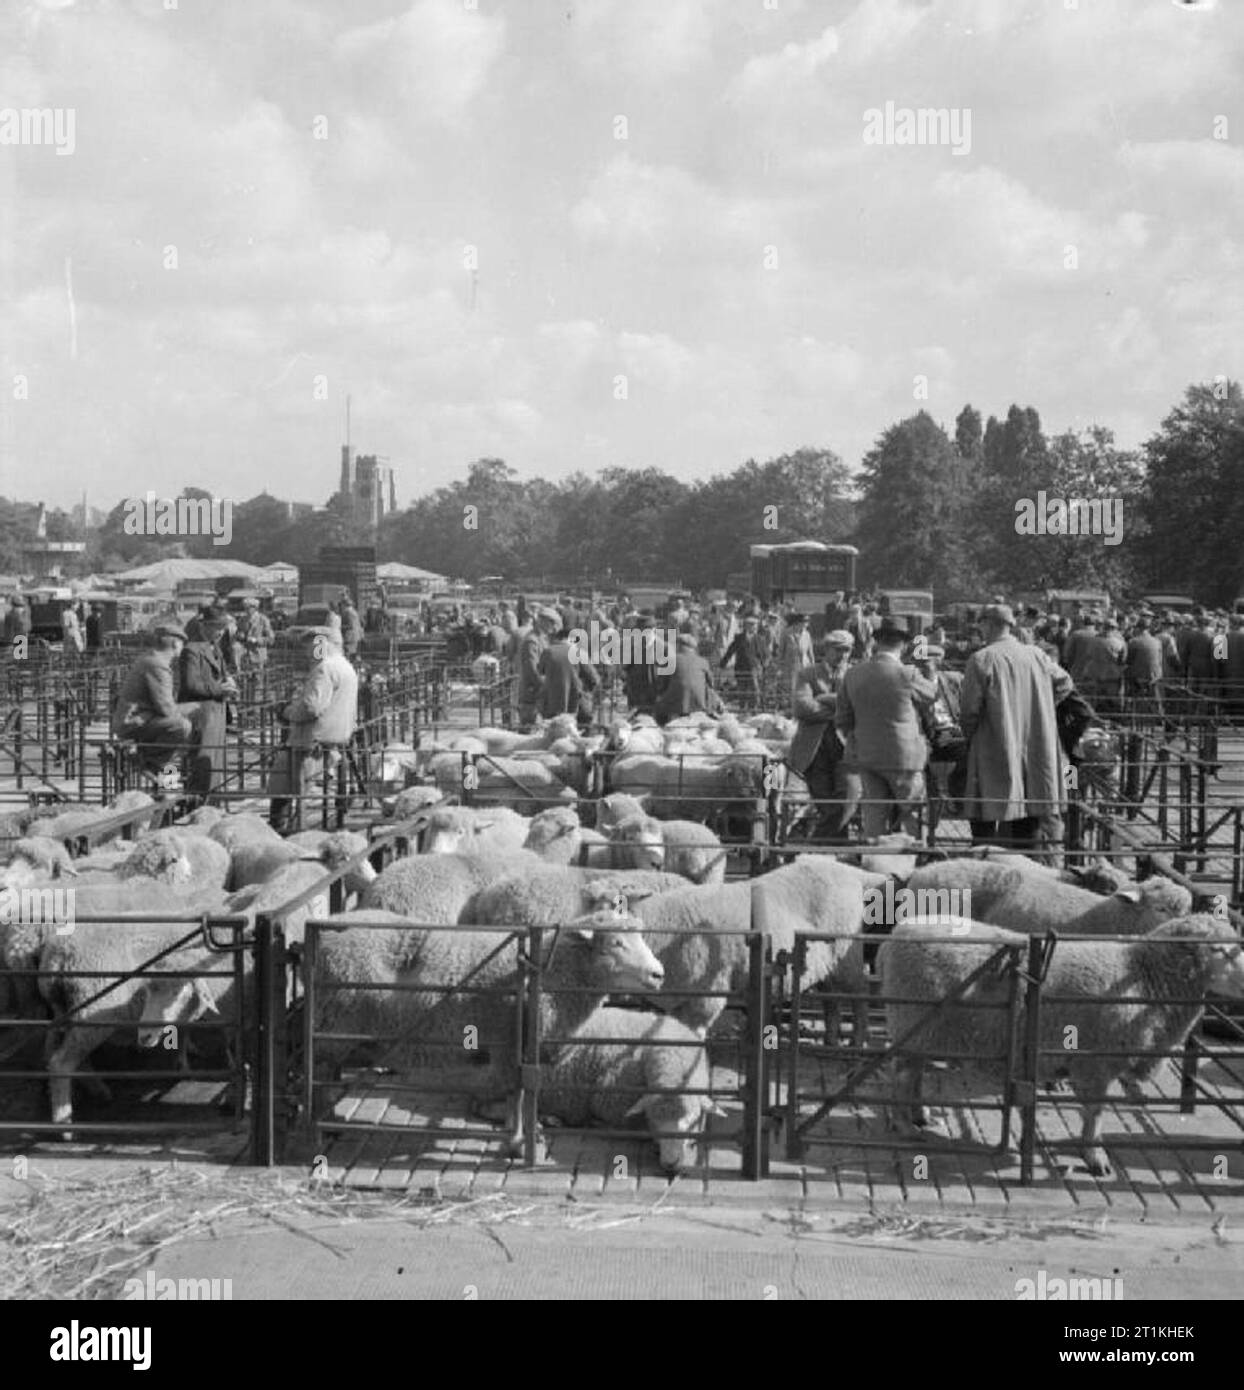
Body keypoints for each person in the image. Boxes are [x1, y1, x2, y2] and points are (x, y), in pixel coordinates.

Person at [959, 604, 1073, 855]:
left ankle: (984, 867)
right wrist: (1042, 708)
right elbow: (1065, 683)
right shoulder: (1037, 655)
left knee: (985, 814)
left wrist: (973, 736)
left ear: (987, 624)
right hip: (1036, 744)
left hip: (994, 745)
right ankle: (1027, 869)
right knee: (1029, 813)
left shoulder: (981, 658)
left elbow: (969, 711)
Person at [835, 618, 935, 840]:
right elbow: (932, 695)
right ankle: (919, 858)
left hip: (867, 754)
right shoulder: (908, 674)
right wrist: (930, 670)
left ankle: (875, 861)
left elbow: (842, 719)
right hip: (904, 757)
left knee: (874, 814)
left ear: (876, 642)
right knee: (913, 813)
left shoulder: (853, 674)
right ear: (904, 644)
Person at [269, 626, 358, 833]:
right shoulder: (346, 667)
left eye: (310, 646)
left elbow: (312, 707)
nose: (307, 652)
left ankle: (278, 827)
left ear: (321, 644)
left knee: (281, 780)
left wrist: (287, 712)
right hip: (336, 738)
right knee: (299, 784)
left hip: (311, 740)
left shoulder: (324, 668)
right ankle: (298, 821)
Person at [787, 629, 859, 840]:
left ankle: (816, 846)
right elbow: (802, 707)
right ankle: (835, 847)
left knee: (846, 799)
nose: (843, 655)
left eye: (847, 650)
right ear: (826, 650)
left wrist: (824, 698)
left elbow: (859, 707)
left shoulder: (856, 675)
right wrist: (841, 708)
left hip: (847, 747)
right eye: (838, 649)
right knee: (826, 803)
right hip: (813, 749)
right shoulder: (808, 674)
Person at [110, 622, 198, 776]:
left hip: (142, 719)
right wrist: (192, 708)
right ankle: (148, 761)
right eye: (182, 644)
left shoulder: (151, 659)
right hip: (133, 723)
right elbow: (166, 708)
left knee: (176, 745)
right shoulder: (157, 665)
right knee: (181, 726)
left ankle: (166, 780)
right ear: (176, 644)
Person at [178, 611, 238, 802]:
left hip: (214, 712)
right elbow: (190, 684)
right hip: (199, 713)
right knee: (196, 760)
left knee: (213, 761)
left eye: (222, 628)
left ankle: (209, 801)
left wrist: (228, 682)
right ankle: (183, 802)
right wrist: (220, 688)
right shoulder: (192, 650)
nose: (220, 633)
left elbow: (219, 674)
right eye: (216, 628)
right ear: (204, 627)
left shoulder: (214, 649)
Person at [914, 642, 966, 813]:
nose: (923, 667)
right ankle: (939, 799)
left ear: (938, 663)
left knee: (969, 751)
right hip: (928, 733)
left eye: (927, 663)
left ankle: (954, 797)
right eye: (920, 663)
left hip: (952, 729)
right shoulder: (915, 683)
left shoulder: (953, 679)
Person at [653, 632, 722, 725]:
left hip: (675, 704)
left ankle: (661, 726)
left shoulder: (670, 660)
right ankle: (715, 713)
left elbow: (662, 684)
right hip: (699, 704)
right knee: (709, 692)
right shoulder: (703, 661)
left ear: (678, 646)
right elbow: (711, 683)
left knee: (658, 708)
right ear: (693, 648)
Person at [538, 621, 598, 727]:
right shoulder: (579, 653)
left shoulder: (547, 652)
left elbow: (540, 672)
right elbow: (594, 679)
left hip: (551, 705)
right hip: (575, 705)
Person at [516, 607, 555, 728]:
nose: (552, 626)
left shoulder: (541, 639)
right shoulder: (531, 641)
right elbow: (532, 670)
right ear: (542, 621)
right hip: (531, 692)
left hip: (537, 692)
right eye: (550, 622)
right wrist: (545, 687)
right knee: (528, 729)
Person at [721, 614, 767, 711]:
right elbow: (730, 651)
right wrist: (722, 664)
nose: (753, 627)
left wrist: (764, 666)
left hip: (754, 668)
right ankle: (742, 709)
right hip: (741, 668)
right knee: (742, 690)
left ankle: (753, 709)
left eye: (754, 625)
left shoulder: (760, 639)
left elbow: (765, 654)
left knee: (755, 690)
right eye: (750, 624)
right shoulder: (739, 638)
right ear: (746, 625)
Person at [777, 612, 815, 713]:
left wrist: (813, 665)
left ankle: (800, 707)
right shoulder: (786, 633)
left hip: (804, 665)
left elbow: (810, 652)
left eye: (807, 622)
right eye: (804, 621)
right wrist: (779, 666)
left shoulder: (807, 634)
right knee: (790, 687)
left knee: (803, 687)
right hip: (790, 665)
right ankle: (789, 708)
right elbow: (781, 651)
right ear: (798, 622)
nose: (806, 624)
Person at [235, 597, 274, 675]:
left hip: (258, 655)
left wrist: (256, 640)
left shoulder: (263, 620)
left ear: (255, 608)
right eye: (245, 607)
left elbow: (271, 639)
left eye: (249, 607)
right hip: (244, 656)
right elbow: (237, 634)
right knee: (244, 681)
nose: (246, 610)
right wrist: (240, 635)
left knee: (258, 681)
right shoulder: (242, 620)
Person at [338, 594, 363, 661]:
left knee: (347, 654)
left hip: (350, 637)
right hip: (355, 636)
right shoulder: (354, 612)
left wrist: (339, 627)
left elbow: (350, 625)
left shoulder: (348, 612)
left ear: (344, 605)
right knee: (353, 654)